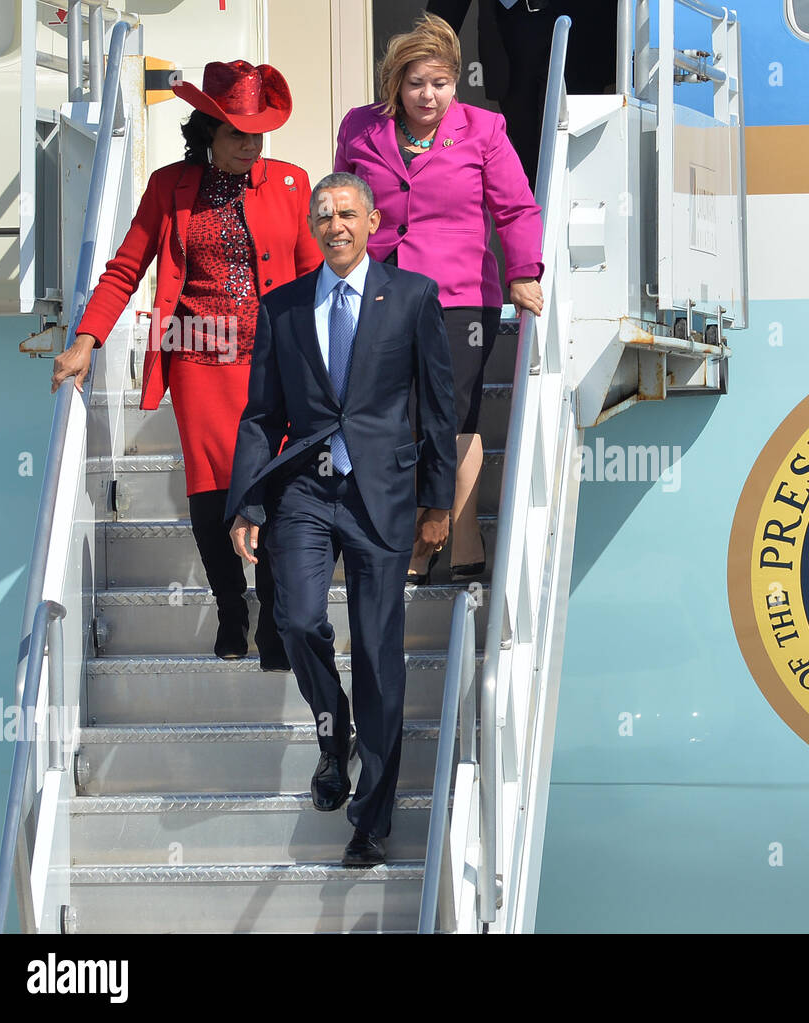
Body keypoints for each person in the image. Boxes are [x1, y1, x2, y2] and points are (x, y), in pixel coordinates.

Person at [51, 60, 321, 670]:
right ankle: (232, 607)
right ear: (207, 132)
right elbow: (126, 268)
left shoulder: (290, 183)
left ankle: (277, 619)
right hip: (200, 351)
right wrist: (88, 339)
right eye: (236, 135)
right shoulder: (170, 185)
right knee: (213, 491)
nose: (250, 146)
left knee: (276, 485)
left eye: (256, 135)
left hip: (275, 354)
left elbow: (312, 277)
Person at [226, 172, 457, 866]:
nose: (335, 225)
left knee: (381, 658)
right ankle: (334, 732)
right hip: (305, 491)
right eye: (322, 215)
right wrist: (248, 500)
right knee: (296, 619)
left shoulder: (411, 296)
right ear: (312, 225)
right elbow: (263, 416)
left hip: (381, 497)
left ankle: (372, 820)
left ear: (373, 220)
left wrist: (438, 498)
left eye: (347, 213)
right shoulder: (284, 307)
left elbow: (438, 403)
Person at [334, 13, 544, 583]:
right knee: (391, 417)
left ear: (456, 82)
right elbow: (343, 205)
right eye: (416, 83)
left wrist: (524, 271)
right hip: (379, 290)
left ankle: (457, 537)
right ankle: (415, 529)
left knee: (451, 418)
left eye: (441, 82)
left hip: (458, 296)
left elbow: (516, 208)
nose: (429, 95)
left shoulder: (485, 129)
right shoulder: (359, 127)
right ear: (395, 84)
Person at [426, 0, 617, 185]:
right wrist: (430, 58)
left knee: (573, 154)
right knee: (528, 159)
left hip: (582, 31)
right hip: (512, 34)